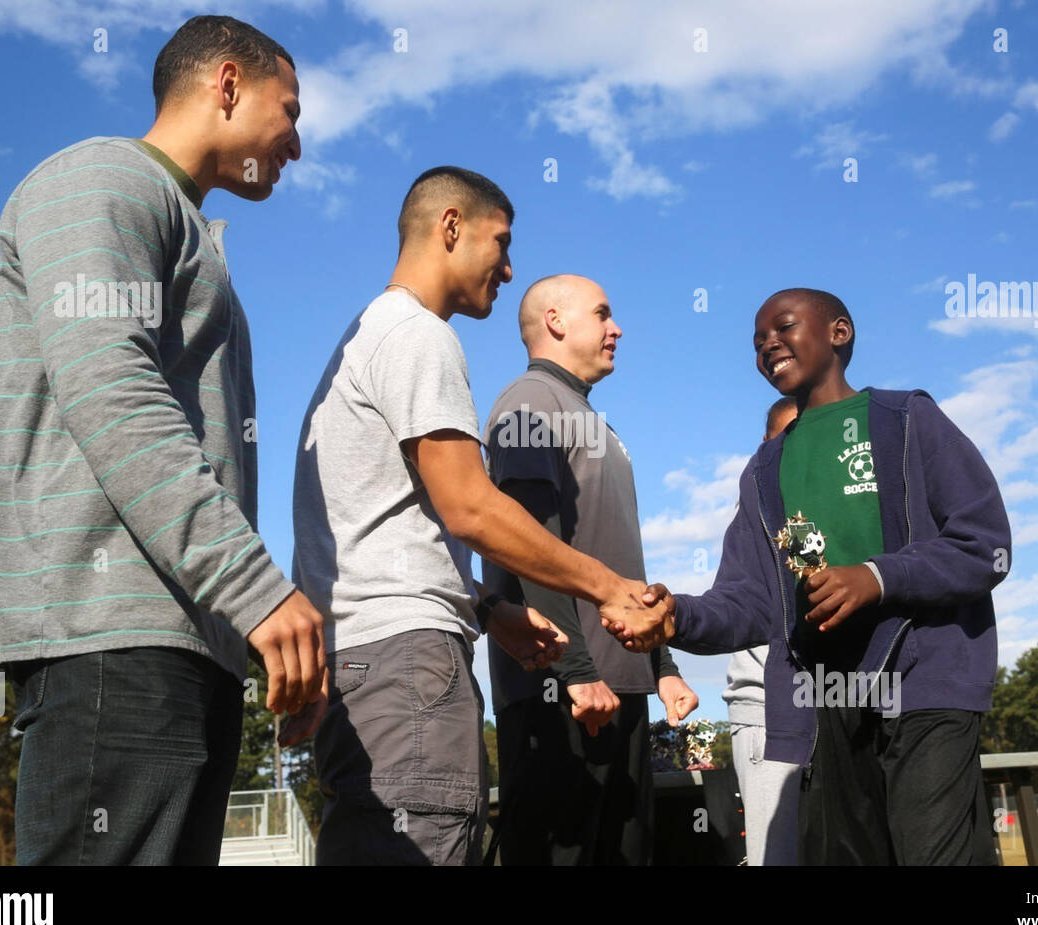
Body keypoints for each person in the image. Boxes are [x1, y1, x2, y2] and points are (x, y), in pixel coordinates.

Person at [0, 15, 326, 865]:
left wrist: (241, 632)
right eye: (290, 109)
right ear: (228, 84)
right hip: (111, 636)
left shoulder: (190, 230)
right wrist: (255, 589)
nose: (296, 143)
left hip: (183, 638)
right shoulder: (100, 178)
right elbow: (112, 392)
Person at [289, 171, 668, 865]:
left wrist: (490, 608)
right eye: (502, 241)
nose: (510, 266)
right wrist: (609, 588)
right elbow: (471, 507)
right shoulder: (417, 334)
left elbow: (382, 529)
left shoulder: (369, 336)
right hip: (406, 670)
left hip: (370, 662)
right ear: (452, 226)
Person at [623, 287, 1010, 865]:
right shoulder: (765, 470)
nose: (768, 346)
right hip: (826, 699)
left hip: (924, 686)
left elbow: (985, 546)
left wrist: (876, 577)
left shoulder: (907, 420)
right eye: (757, 343)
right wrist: (677, 615)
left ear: (839, 332)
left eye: (782, 328)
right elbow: (750, 600)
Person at [481, 274, 700, 865]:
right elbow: (527, 543)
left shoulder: (595, 422)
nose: (617, 328)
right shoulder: (528, 404)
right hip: (562, 693)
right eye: (603, 314)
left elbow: (623, 564)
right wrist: (574, 670)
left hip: (617, 687)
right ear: (555, 320)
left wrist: (663, 666)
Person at [725, 396, 801, 866]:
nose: (798, 448)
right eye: (787, 435)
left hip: (831, 707)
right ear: (764, 446)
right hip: (767, 714)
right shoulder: (758, 514)